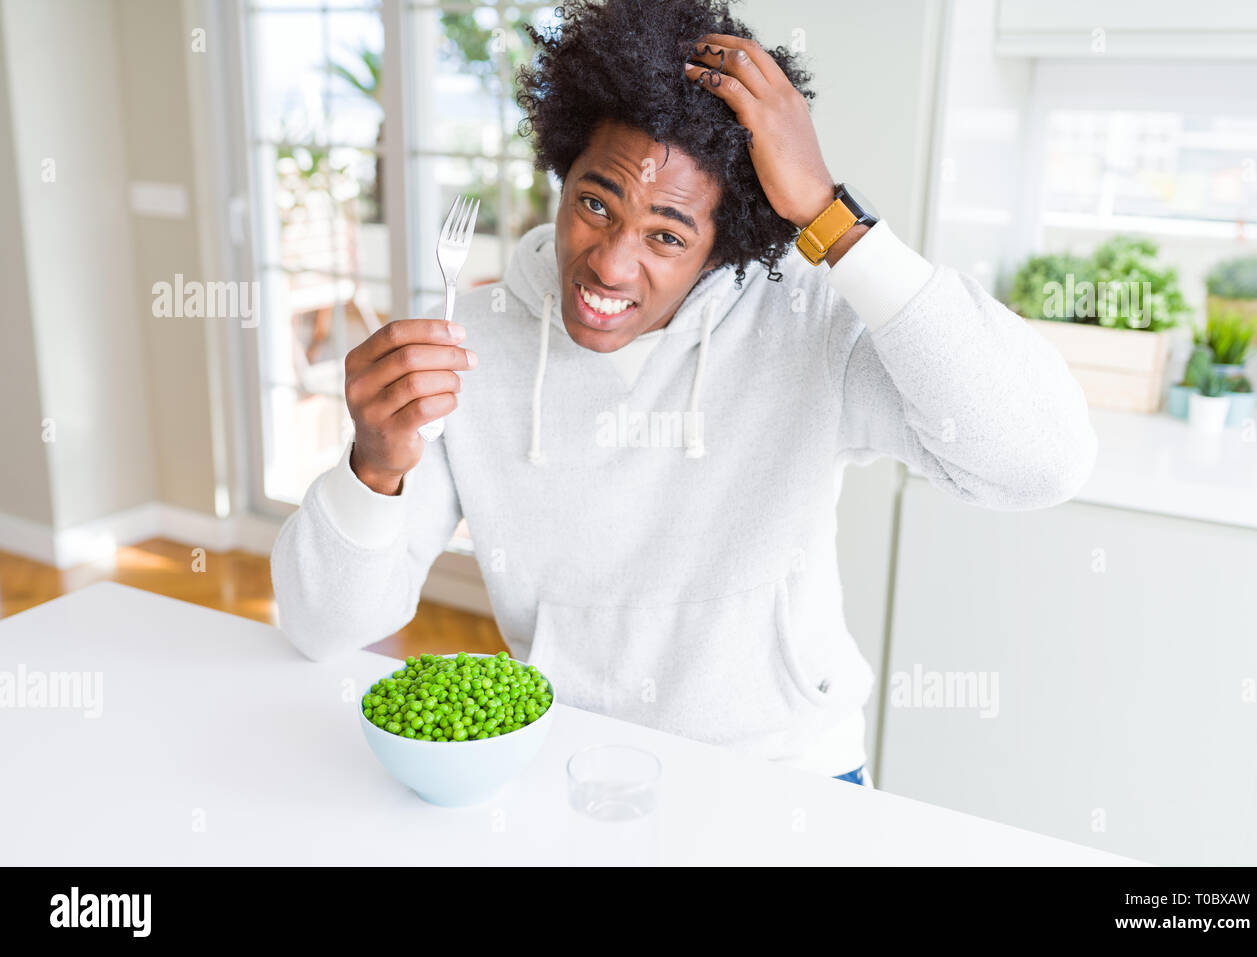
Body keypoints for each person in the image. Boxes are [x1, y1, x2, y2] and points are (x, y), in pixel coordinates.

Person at [270, 0, 1097, 787]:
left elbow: (1042, 461)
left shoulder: (811, 327)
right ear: (562, 175)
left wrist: (831, 217)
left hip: (792, 772)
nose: (611, 264)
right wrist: (373, 466)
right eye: (595, 203)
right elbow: (321, 629)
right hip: (575, 764)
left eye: (667, 234)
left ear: (720, 244)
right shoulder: (468, 344)